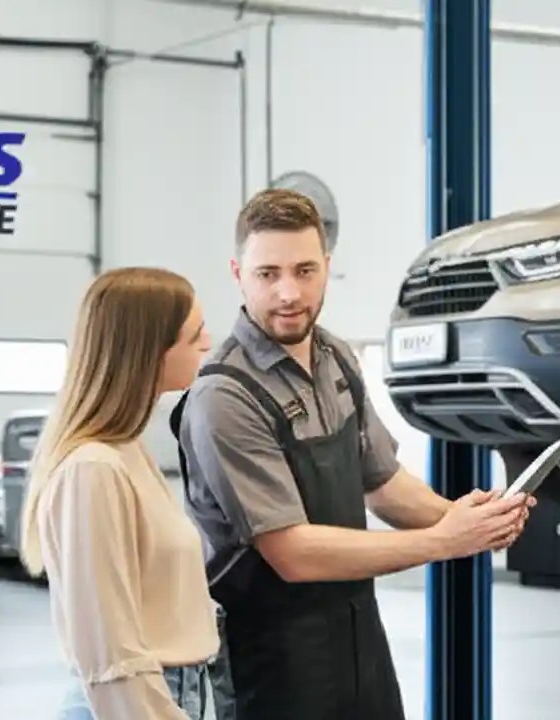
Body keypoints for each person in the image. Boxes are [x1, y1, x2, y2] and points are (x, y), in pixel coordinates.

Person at [171, 189, 536, 720]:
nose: (289, 292)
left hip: (359, 636)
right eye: (267, 274)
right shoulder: (224, 395)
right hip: (270, 660)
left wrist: (471, 519)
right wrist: (442, 540)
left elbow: (383, 482)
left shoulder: (338, 358)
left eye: (304, 270)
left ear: (327, 267)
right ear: (238, 273)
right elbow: (292, 553)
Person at [18, 267, 220, 720]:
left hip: (171, 692)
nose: (207, 343)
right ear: (149, 351)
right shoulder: (93, 469)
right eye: (194, 335)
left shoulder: (127, 450)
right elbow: (112, 653)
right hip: (134, 704)